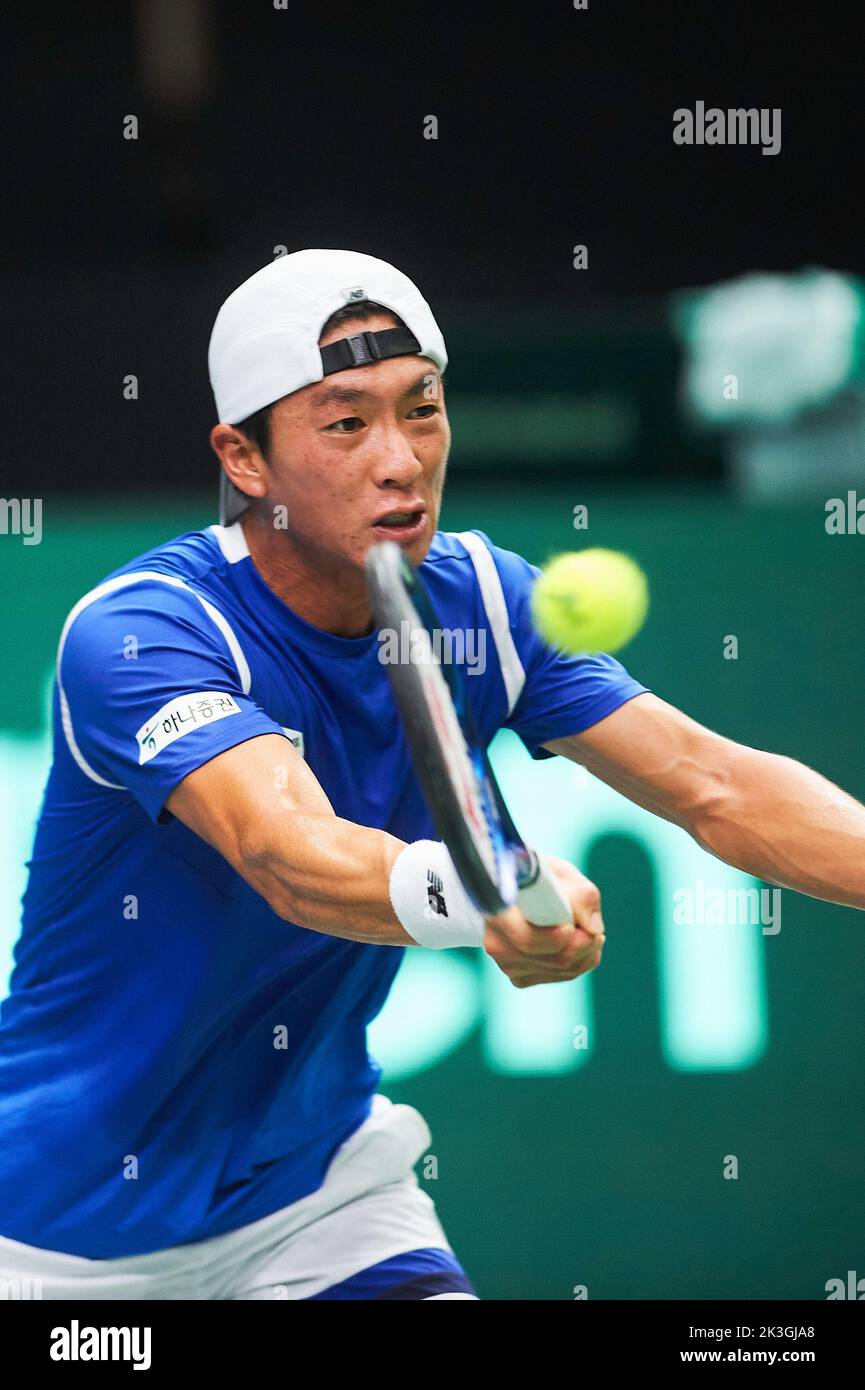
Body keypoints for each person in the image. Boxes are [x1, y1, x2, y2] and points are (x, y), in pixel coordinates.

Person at [0, 249, 862, 1301]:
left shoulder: (488, 604)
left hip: (319, 1199)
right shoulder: (143, 633)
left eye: (422, 409)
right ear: (246, 458)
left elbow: (715, 786)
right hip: (54, 1239)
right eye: (347, 422)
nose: (402, 459)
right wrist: (482, 894)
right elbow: (289, 853)